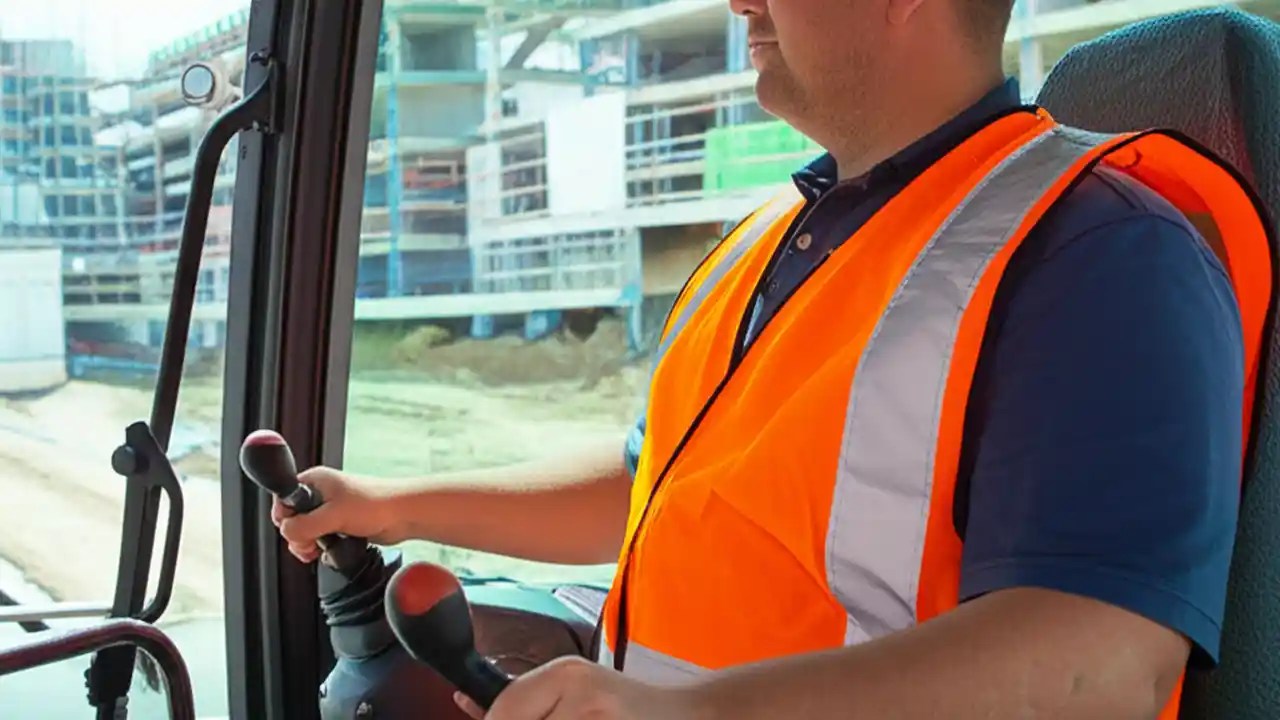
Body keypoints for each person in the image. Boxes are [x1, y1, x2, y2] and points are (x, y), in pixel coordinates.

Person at [274, 0, 1273, 718]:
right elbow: (654, 487)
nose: (737, 0)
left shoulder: (1098, 251)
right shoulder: (765, 241)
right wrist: (394, 502)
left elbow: (1096, 667)